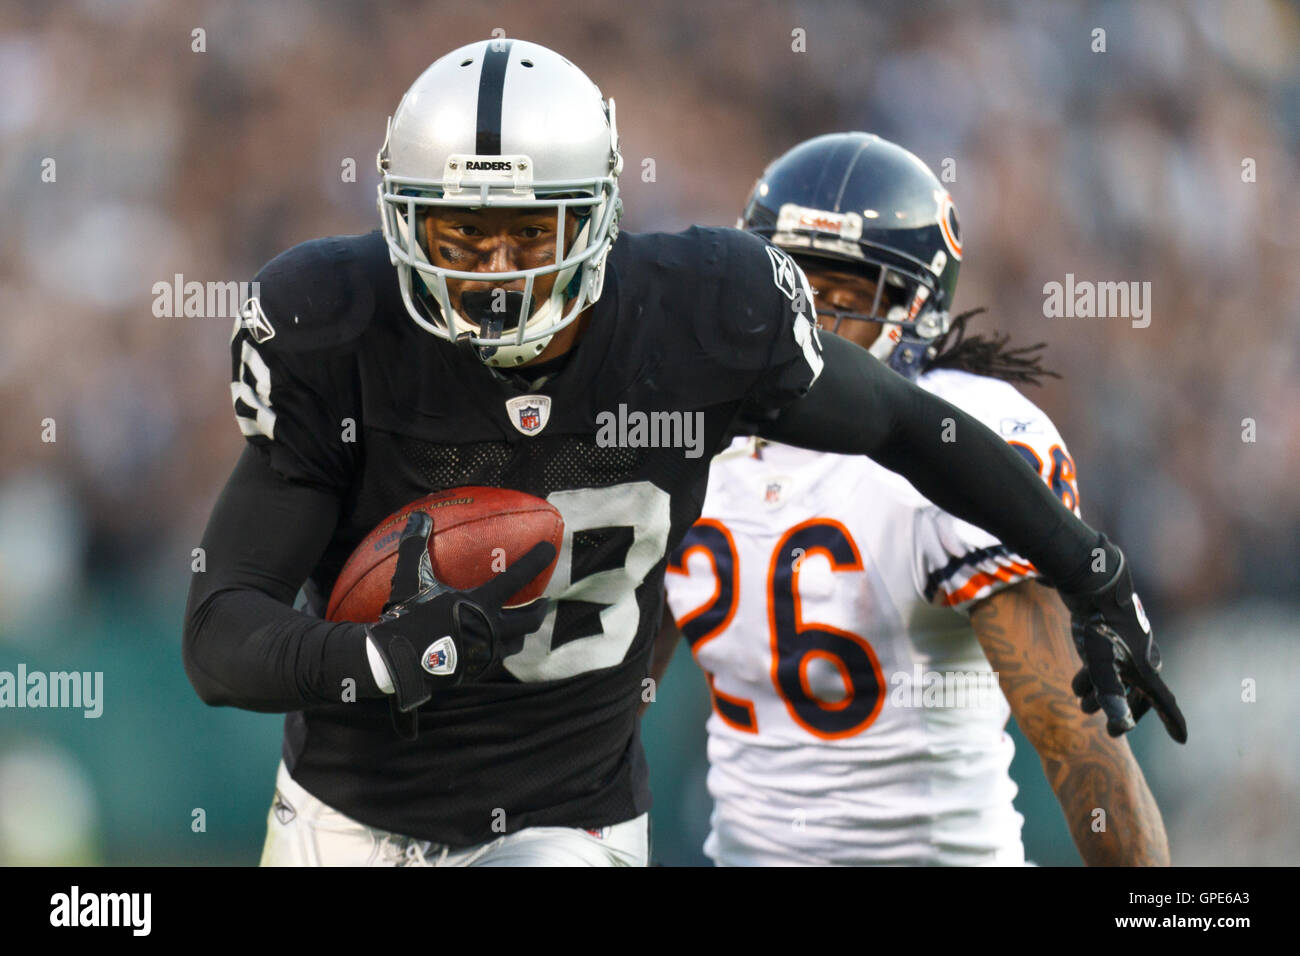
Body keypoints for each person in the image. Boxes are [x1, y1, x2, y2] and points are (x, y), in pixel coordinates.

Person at [183, 39, 1183, 868]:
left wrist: (1087, 564)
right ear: (401, 219)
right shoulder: (334, 326)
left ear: (597, 216)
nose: (492, 275)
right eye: (459, 232)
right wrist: (370, 656)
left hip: (566, 817)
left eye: (528, 236)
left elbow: (907, 426)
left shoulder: (702, 320)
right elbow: (220, 632)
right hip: (341, 814)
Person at [658, 132, 1171, 866]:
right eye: (795, 292)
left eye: (848, 298)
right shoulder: (689, 435)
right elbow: (612, 707)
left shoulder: (953, 454)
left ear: (915, 310)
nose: (816, 332)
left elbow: (1075, 743)